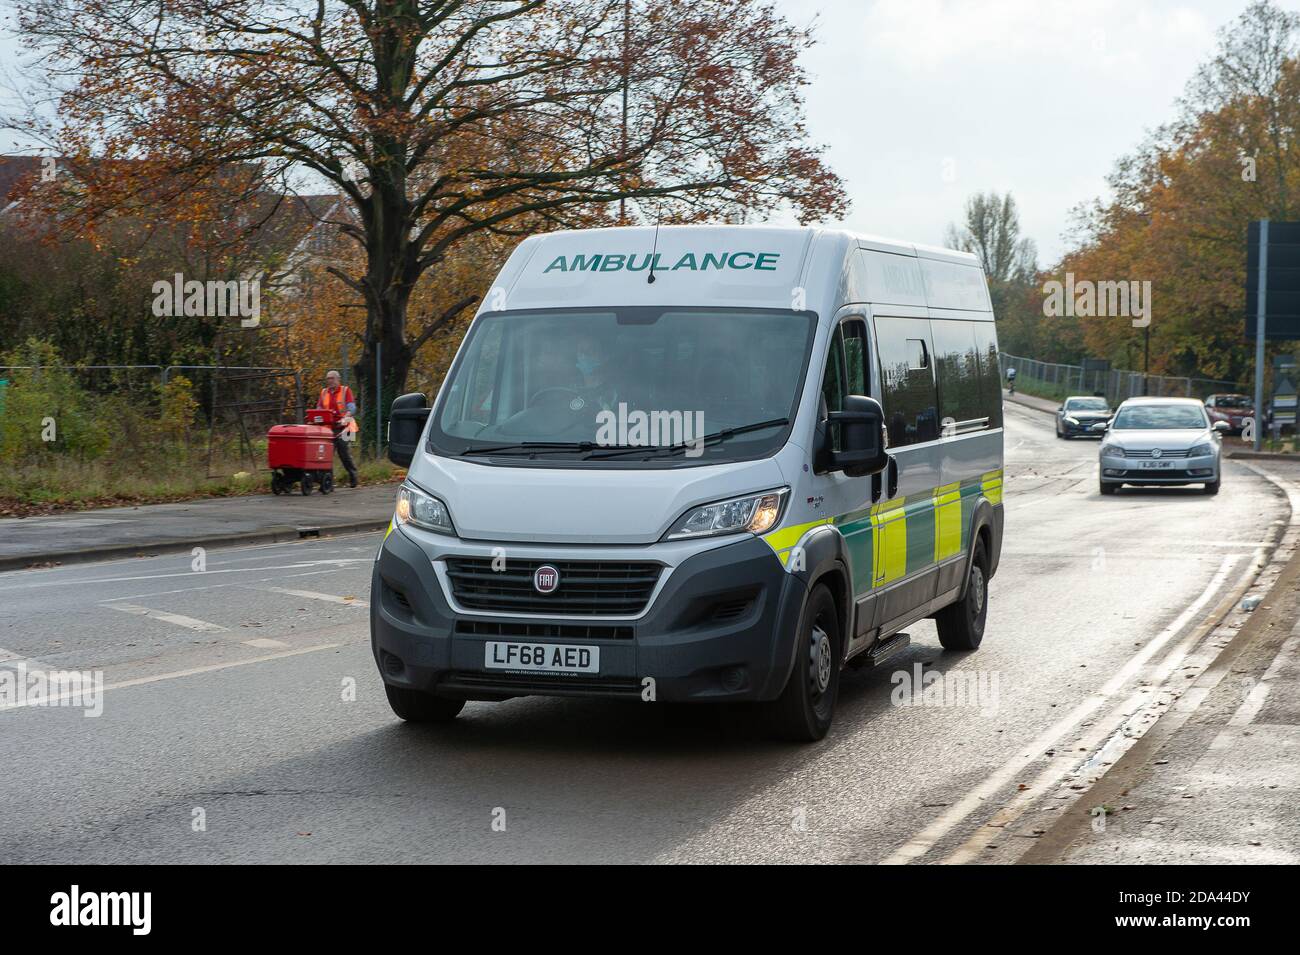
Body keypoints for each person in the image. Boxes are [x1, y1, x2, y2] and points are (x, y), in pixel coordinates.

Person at [319, 370, 359, 488]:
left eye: (332, 378)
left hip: (347, 427)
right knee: (327, 455)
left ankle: (353, 475)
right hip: (329, 428)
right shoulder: (323, 393)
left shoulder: (346, 391)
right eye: (328, 378)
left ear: (338, 379)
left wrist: (345, 418)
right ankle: (328, 482)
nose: (330, 381)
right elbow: (319, 408)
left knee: (344, 452)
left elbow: (352, 409)